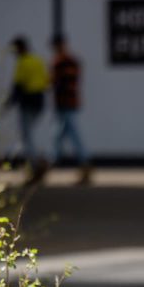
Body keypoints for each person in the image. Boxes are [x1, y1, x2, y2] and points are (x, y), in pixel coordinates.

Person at [50, 33, 91, 185]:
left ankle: (84, 164)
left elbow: (64, 82)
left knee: (71, 134)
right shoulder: (60, 61)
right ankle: (51, 162)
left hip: (67, 102)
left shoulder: (66, 62)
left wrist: (55, 83)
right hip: (63, 103)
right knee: (58, 135)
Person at [7, 36, 49, 182]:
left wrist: (10, 102)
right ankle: (39, 161)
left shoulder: (22, 62)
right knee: (31, 134)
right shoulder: (38, 60)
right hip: (39, 100)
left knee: (27, 136)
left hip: (27, 101)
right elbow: (46, 81)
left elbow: (18, 85)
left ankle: (35, 165)